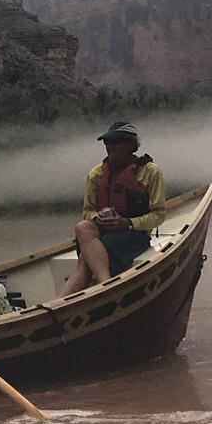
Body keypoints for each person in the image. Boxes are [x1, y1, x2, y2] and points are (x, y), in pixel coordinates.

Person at [59, 122, 167, 297]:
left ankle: (61, 303)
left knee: (86, 260)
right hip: (102, 232)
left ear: (132, 145)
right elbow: (88, 211)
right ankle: (106, 284)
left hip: (133, 234)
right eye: (107, 142)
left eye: (116, 142)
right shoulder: (96, 174)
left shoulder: (150, 172)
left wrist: (128, 223)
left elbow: (159, 214)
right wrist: (100, 218)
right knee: (82, 228)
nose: (110, 147)